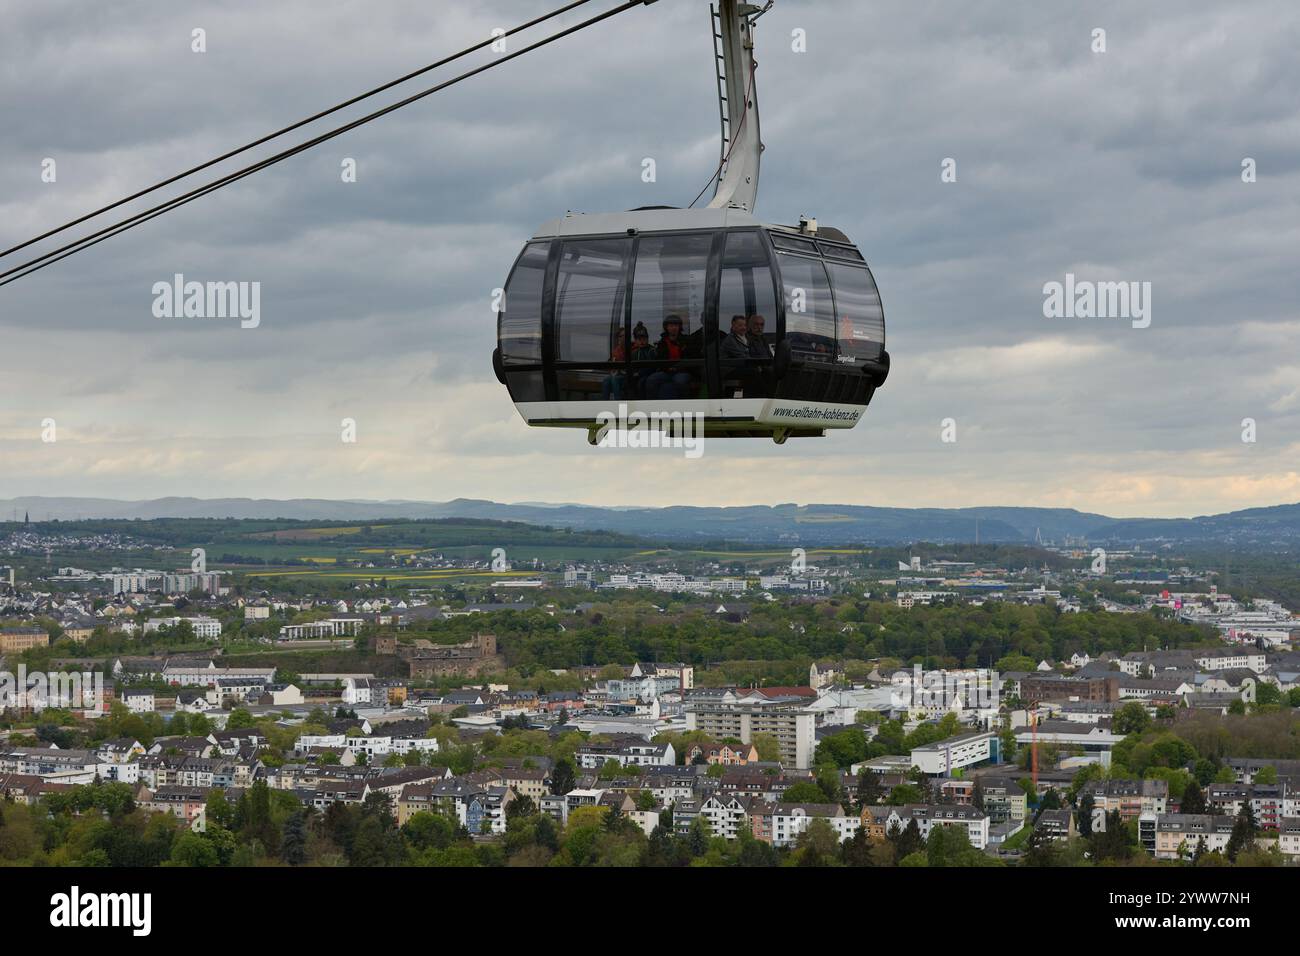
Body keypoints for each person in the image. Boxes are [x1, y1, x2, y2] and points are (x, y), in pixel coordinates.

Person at [645, 315, 695, 398]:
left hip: (682, 371)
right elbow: (659, 360)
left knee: (680, 381)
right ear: (666, 327)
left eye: (676, 325)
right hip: (666, 372)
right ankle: (652, 405)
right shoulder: (662, 343)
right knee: (651, 380)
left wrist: (681, 368)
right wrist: (667, 368)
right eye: (671, 326)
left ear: (679, 327)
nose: (673, 328)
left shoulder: (686, 341)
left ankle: (686, 404)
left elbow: (690, 358)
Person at [600, 327, 627, 400]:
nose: (623, 338)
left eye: (626, 335)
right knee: (606, 380)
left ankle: (617, 402)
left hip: (627, 375)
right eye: (621, 336)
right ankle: (605, 403)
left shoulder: (632, 347)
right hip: (617, 374)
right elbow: (611, 362)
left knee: (615, 379)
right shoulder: (616, 350)